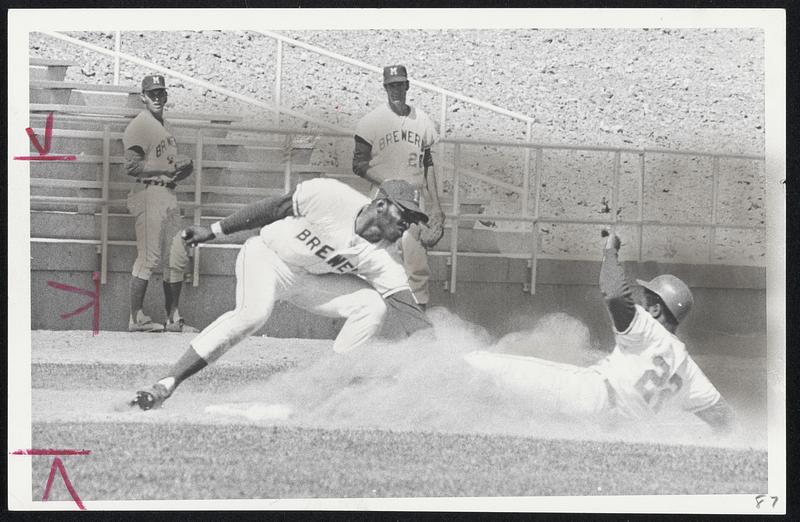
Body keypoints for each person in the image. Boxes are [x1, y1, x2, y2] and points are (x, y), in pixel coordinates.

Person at [127, 177, 433, 410]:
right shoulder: (331, 196)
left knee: (371, 305)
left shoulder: (387, 258)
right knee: (252, 315)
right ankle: (167, 383)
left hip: (310, 280)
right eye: (403, 213)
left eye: (412, 218)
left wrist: (444, 357)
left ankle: (323, 390)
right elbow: (274, 208)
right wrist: (215, 230)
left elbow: (410, 314)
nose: (407, 223)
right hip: (267, 257)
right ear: (381, 205)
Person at [464, 231, 735, 435]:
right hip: (617, 428)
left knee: (487, 364)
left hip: (589, 395)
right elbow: (725, 419)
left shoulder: (649, 328)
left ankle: (439, 369)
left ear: (655, 309)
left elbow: (615, 294)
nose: (641, 302)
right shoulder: (688, 370)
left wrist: (610, 251)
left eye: (646, 298)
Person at [352, 65, 446, 309]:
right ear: (385, 87)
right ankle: (372, 317)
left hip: (413, 199)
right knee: (378, 259)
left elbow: (428, 163)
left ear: (407, 86)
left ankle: (418, 320)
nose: (396, 89)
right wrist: (387, 183)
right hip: (384, 197)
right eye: (391, 85)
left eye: (400, 84)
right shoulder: (372, 121)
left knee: (416, 260)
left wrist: (436, 204)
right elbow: (359, 164)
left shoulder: (422, 120)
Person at [124, 74, 196, 333]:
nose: (156, 97)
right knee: (149, 257)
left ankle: (173, 318)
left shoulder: (165, 126)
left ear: (166, 96)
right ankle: (136, 318)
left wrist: (182, 170)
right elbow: (132, 166)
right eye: (151, 93)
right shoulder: (139, 125)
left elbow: (170, 167)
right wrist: (167, 167)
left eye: (160, 93)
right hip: (147, 194)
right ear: (142, 97)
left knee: (176, 256)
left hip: (167, 193)